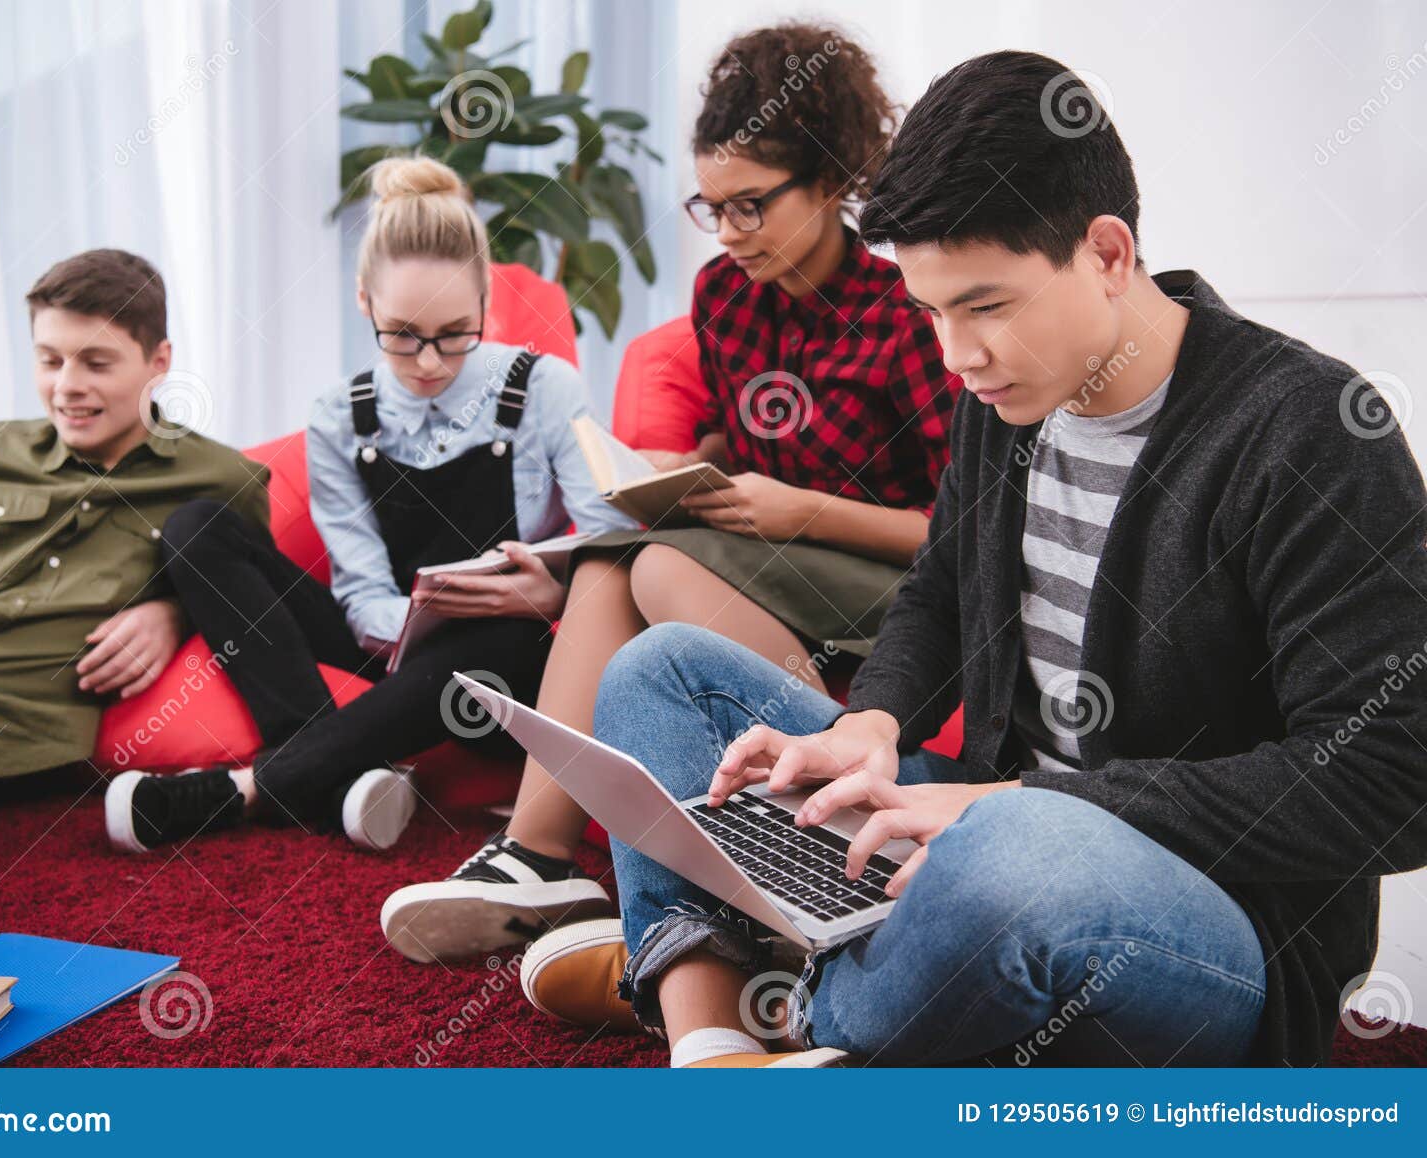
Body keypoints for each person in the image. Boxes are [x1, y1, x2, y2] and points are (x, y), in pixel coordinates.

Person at [516, 51, 1427, 1067]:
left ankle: (754, 979)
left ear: (1108, 254)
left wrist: (1026, 807)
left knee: (1009, 865)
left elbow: (1391, 786)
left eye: (986, 306)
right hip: (978, 833)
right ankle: (717, 1044)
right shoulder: (1003, 399)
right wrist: (870, 726)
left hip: (1206, 928)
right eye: (932, 312)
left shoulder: (1307, 431)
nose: (956, 354)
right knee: (662, 672)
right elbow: (940, 592)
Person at [382, 22, 959, 963]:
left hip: (891, 580)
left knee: (647, 569)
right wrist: (685, 474)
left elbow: (955, 535)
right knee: (612, 564)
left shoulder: (904, 314)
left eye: (751, 206)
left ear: (827, 184)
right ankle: (538, 857)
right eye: (711, 206)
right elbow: (745, 441)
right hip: (772, 558)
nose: (728, 232)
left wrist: (799, 510)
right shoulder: (724, 300)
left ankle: (794, 826)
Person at [102, 156, 634, 860]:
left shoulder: (545, 388)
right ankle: (342, 772)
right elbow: (358, 588)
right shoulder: (339, 417)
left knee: (493, 640)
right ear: (365, 304)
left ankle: (247, 789)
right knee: (195, 529)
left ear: (486, 305)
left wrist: (552, 590)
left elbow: (611, 535)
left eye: (454, 333)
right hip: (387, 641)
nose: (430, 360)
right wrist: (409, 624)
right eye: (403, 334)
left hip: (503, 664)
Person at [0, 249, 268, 875]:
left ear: (159, 362)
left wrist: (175, 614)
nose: (66, 387)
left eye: (96, 362)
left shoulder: (224, 483)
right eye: (49, 359)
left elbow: (256, 605)